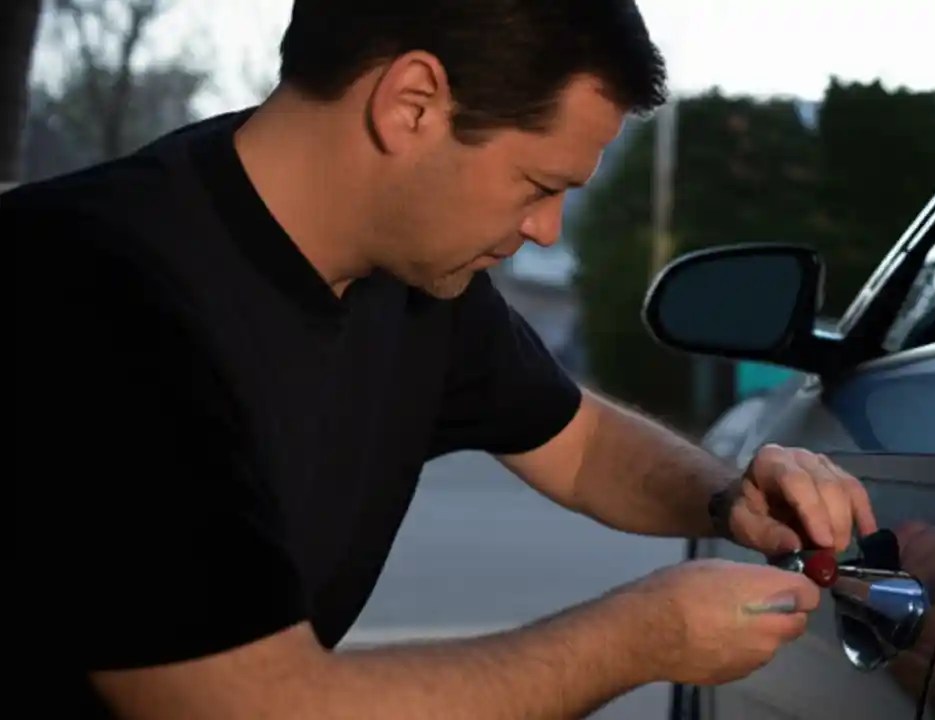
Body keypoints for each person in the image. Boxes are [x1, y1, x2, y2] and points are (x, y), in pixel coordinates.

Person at [7, 1, 877, 717]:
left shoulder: (417, 281)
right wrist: (636, 640)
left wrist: (727, 499)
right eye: (539, 186)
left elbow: (576, 444)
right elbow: (252, 708)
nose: (546, 231)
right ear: (412, 102)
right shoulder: (87, 291)